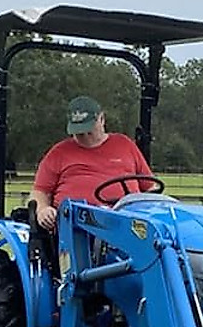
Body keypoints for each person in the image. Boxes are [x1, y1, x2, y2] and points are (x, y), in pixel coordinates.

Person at [31, 96, 155, 230]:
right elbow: (40, 191)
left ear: (101, 119)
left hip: (126, 220)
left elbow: (150, 187)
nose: (84, 135)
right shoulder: (59, 153)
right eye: (79, 132)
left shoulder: (125, 145)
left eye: (88, 131)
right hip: (75, 226)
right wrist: (43, 209)